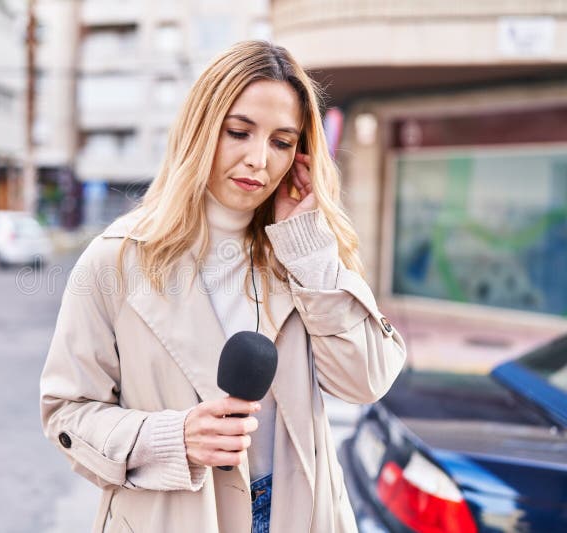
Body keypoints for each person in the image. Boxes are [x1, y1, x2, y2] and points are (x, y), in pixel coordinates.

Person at [40, 40, 406, 533]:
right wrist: (173, 438)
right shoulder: (116, 259)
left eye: (281, 142)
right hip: (174, 515)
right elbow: (67, 414)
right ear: (201, 129)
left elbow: (364, 382)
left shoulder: (306, 249)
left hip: (299, 514)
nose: (259, 159)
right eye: (239, 132)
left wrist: (308, 251)